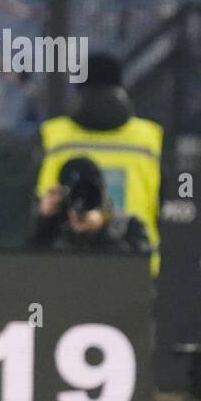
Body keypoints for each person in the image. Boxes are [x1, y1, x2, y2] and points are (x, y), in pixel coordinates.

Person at [35, 53, 162, 273]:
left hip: (65, 262)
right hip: (136, 260)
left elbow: (40, 207)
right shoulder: (150, 138)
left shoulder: (55, 136)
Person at [31, 156, 151, 256]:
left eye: (89, 194)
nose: (81, 202)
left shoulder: (128, 226)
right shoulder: (55, 229)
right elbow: (28, 270)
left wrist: (101, 231)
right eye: (75, 194)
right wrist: (44, 221)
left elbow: (138, 273)